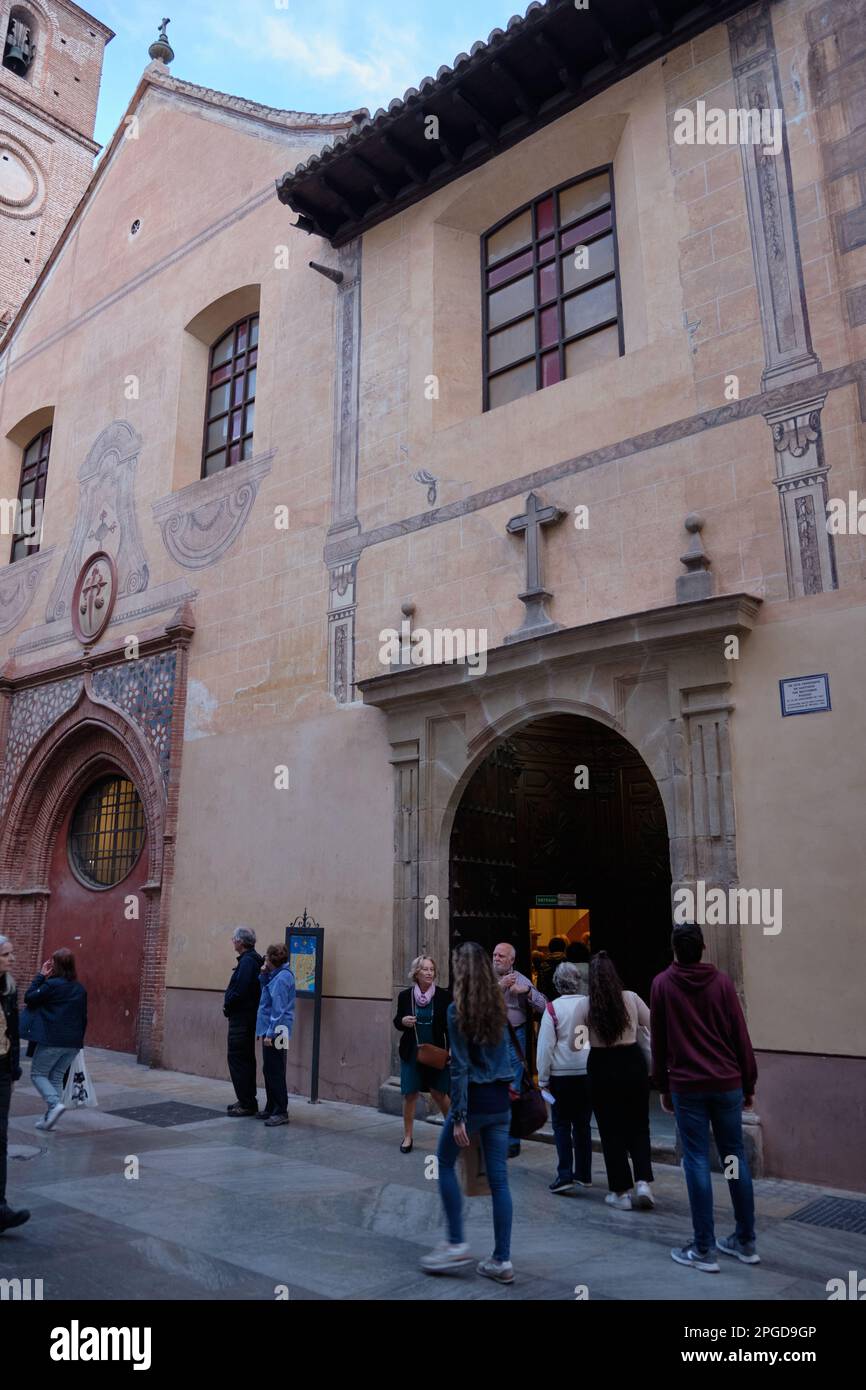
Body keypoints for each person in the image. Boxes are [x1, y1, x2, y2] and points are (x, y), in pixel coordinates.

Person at [651, 923, 759, 1273]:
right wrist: (748, 1083)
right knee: (733, 1157)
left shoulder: (663, 985)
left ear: (675, 950)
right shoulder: (723, 984)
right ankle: (745, 1239)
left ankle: (703, 1248)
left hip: (688, 1087)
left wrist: (662, 1086)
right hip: (727, 1083)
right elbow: (739, 1034)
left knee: (696, 1159)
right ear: (702, 949)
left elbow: (659, 1041)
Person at [421, 942, 515, 1283]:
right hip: (500, 1103)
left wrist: (458, 1115)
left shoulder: (457, 1010)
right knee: (500, 1181)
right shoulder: (498, 1005)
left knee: (444, 1162)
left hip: (474, 1102)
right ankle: (502, 1260)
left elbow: (459, 1067)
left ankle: (456, 1243)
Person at [570, 950, 654, 1211]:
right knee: (639, 1124)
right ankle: (643, 1182)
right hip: (632, 1062)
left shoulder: (584, 1006)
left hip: (602, 1066)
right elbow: (652, 1022)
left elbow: (577, 1044)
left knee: (610, 1130)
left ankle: (620, 1191)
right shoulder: (630, 998)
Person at [536, 961, 593, 1194]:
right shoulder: (589, 1004)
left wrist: (543, 1078)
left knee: (561, 1124)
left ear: (557, 984)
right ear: (578, 982)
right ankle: (584, 1174)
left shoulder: (552, 1009)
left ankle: (564, 1173)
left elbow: (545, 1047)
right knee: (583, 1124)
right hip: (587, 1072)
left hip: (562, 1075)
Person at [491, 941, 546, 1157]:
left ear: (512, 960)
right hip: (491, 1037)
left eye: (501, 956)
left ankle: (511, 1141)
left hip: (515, 1036)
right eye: (495, 954)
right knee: (493, 1086)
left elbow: (544, 1006)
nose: (496, 958)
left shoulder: (521, 979)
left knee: (513, 1088)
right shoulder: (485, 978)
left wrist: (528, 992)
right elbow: (474, 999)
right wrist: (500, 986)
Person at [23, 948, 87, 1132]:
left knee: (38, 1074)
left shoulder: (51, 986)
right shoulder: (79, 988)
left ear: (55, 965)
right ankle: (49, 1119)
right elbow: (84, 1017)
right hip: (73, 1042)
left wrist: (41, 976)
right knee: (56, 1077)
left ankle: (54, 1105)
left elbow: (29, 998)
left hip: (52, 1040)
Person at [393, 955, 450, 1153]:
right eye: (425, 969)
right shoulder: (405, 996)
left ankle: (454, 1132)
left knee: (439, 1093)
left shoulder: (443, 996)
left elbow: (451, 1026)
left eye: (431, 969)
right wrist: (403, 1021)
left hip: (435, 1053)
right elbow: (397, 1021)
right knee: (410, 1094)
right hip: (412, 1052)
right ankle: (407, 1136)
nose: (428, 973)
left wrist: (450, 1049)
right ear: (416, 973)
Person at [0, 936, 30, 1233]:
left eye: (12, 953)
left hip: (1, 1072)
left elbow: (14, 1030)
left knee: (0, 1140)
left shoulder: (9, 988)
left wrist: (14, 1069)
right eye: (6, 954)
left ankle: (0, 1209)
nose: (12, 959)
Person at [223, 926, 263, 1116]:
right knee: (244, 1059)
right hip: (246, 1017)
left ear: (240, 941)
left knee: (238, 1059)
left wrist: (228, 1004)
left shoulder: (248, 962)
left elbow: (241, 989)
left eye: (234, 938)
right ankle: (246, 1099)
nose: (232, 941)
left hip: (242, 1018)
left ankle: (247, 1103)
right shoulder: (251, 960)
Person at [255, 944, 295, 1127]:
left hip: (277, 1030)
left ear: (271, 959)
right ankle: (272, 1106)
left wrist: (270, 1034)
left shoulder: (282, 979)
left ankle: (281, 1110)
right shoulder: (277, 976)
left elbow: (277, 1010)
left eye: (266, 958)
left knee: (276, 1071)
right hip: (272, 1029)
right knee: (269, 1070)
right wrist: (264, 974)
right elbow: (265, 991)